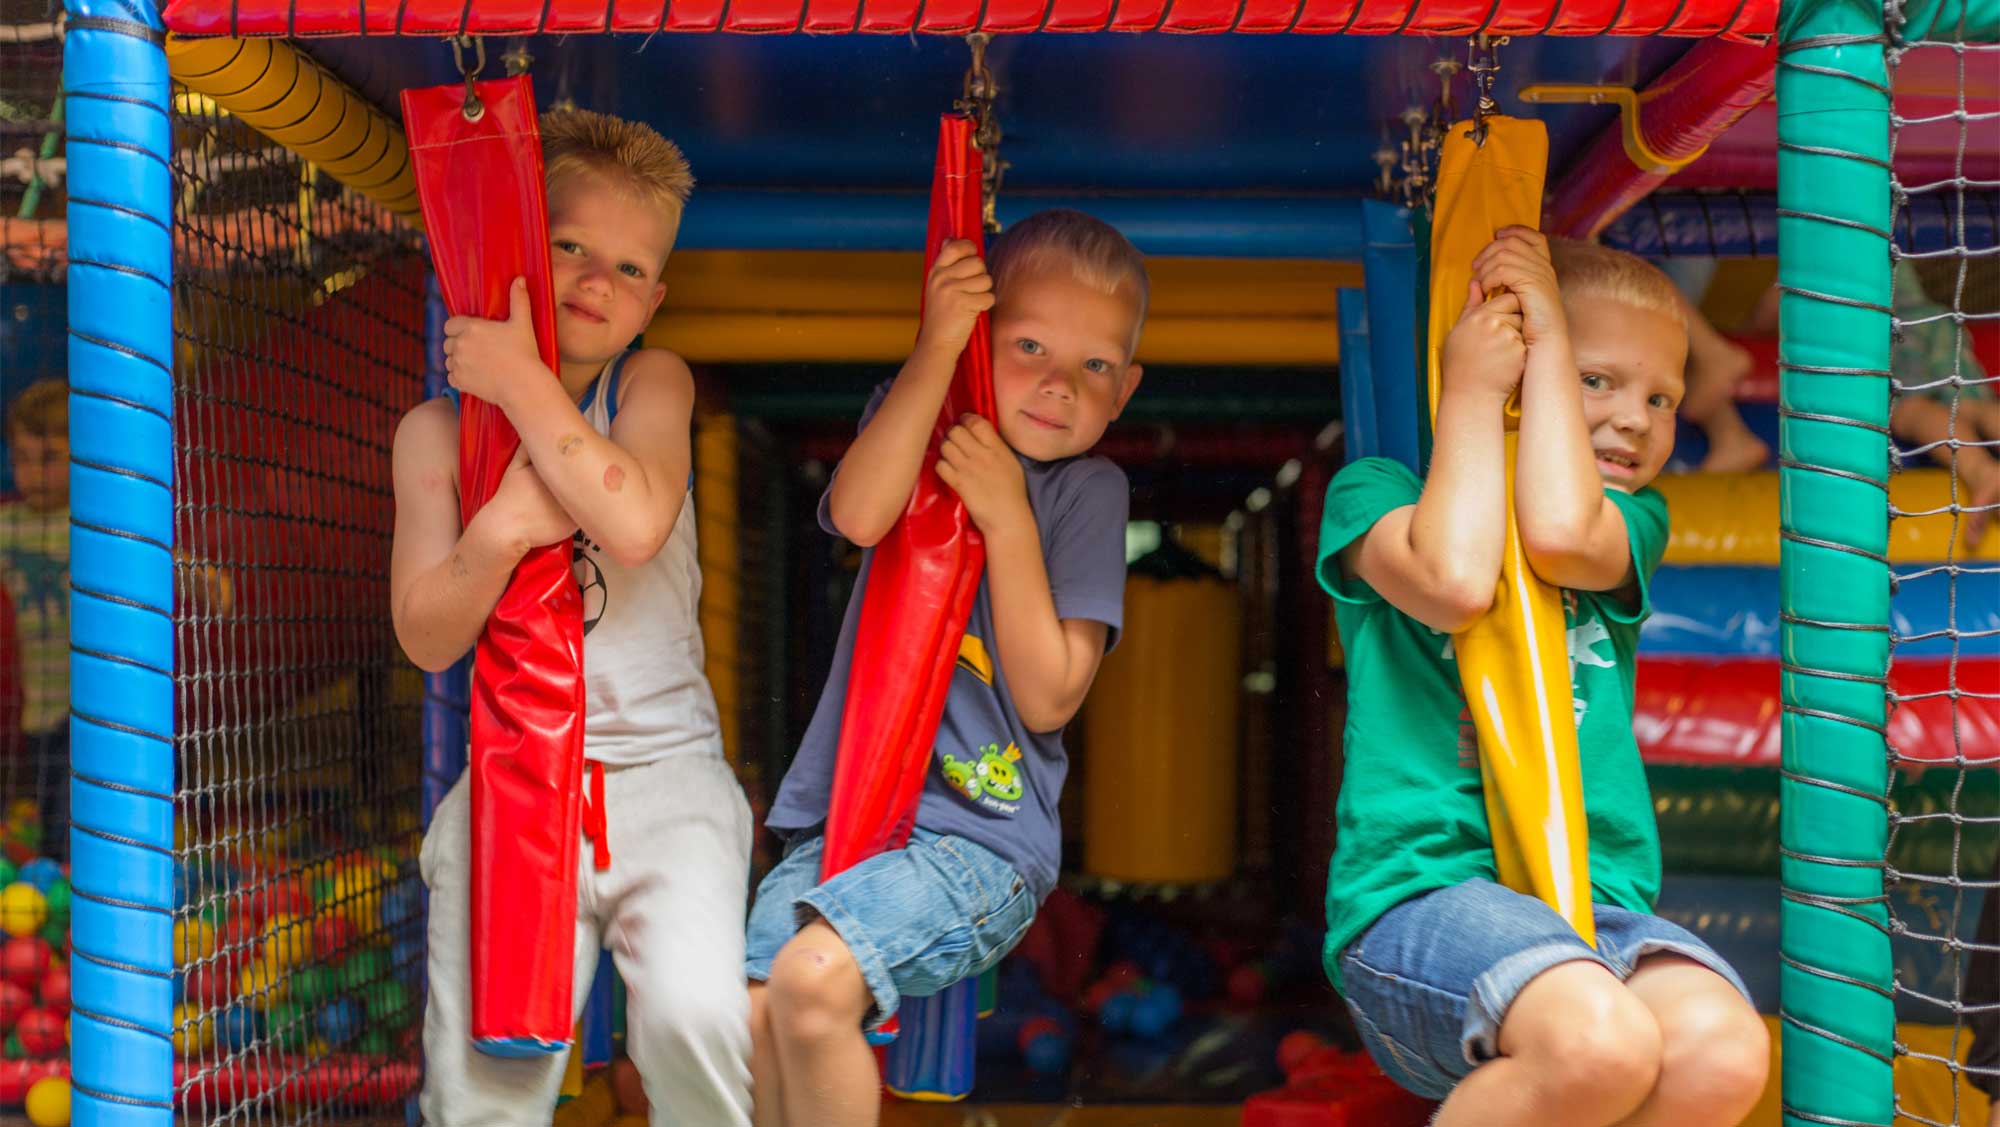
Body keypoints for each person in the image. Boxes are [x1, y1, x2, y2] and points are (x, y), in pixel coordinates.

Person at [1315, 230, 1769, 1127]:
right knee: (1600, 1041)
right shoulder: (1375, 496)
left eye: (1662, 396)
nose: (1637, 418)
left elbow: (1560, 531)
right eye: (1597, 381)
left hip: (1587, 908)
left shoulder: (1629, 525)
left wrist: (1552, 348)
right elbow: (1452, 583)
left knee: (1721, 1049)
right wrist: (1480, 391)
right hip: (1422, 901)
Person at [743, 209, 1146, 1127]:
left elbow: (1048, 696)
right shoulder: (919, 416)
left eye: (1092, 366)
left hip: (979, 842)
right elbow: (858, 513)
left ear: (1124, 389)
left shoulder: (1087, 490)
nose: (1056, 384)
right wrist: (935, 350)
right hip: (847, 825)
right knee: (755, 1010)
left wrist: (1007, 515)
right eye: (1031, 345)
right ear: (979, 342)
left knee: (808, 980)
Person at [390, 108, 753, 1125]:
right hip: (511, 779)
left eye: (632, 269)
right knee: (485, 1087)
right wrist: (496, 534)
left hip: (665, 779)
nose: (601, 282)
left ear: (655, 301)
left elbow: (631, 520)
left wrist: (517, 377)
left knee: (693, 1026)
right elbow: (426, 632)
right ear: (516, 250)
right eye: (570, 248)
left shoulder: (650, 382)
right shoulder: (432, 434)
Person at [0, 379, 70, 860]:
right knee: (45, 816)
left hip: (87, 706)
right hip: (36, 708)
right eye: (22, 459)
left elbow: (152, 554)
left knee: (72, 816)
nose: (33, 474)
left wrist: (200, 579)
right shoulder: (9, 524)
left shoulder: (93, 519)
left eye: (48, 459)